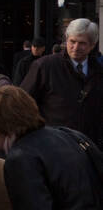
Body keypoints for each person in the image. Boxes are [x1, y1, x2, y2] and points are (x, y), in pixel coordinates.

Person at [21, 17, 103, 148]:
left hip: (90, 149)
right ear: (66, 40)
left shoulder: (98, 72)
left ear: (92, 45)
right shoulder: (45, 66)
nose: (76, 47)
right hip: (53, 147)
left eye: (82, 43)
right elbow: (23, 103)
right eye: (72, 41)